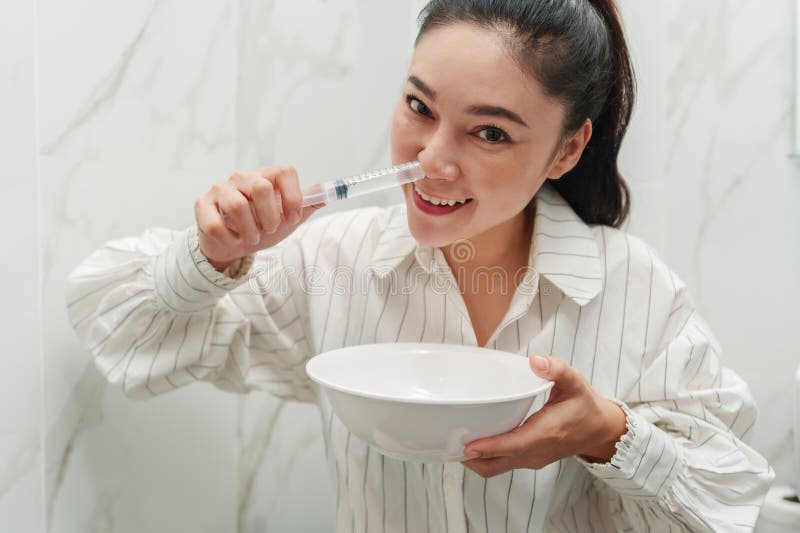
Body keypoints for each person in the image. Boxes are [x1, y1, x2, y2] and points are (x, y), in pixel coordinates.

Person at [64, 0, 774, 531]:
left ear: (566, 149)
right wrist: (212, 256)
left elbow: (733, 500)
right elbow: (119, 334)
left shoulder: (635, 290)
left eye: (489, 132)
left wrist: (608, 435)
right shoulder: (335, 263)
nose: (431, 160)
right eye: (418, 106)